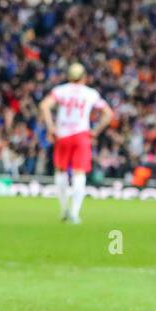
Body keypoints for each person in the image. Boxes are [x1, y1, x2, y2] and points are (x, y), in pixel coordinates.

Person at [39, 62, 113, 224]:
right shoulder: (90, 93)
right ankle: (74, 213)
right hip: (81, 135)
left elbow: (44, 105)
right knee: (79, 173)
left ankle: (64, 209)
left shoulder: (60, 90)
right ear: (84, 77)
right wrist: (96, 131)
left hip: (62, 134)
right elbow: (108, 113)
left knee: (61, 171)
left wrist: (51, 127)